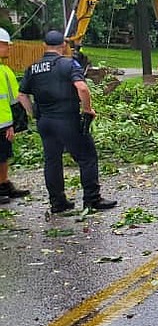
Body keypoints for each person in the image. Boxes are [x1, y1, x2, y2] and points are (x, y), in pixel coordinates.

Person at [17, 30, 116, 214]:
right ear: (63, 45)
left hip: (45, 121)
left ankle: (58, 202)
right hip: (67, 119)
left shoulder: (33, 68)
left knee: (52, 160)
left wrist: (33, 114)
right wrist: (87, 109)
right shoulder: (69, 64)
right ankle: (92, 199)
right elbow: (82, 88)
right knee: (86, 157)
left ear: (44, 46)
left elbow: (22, 95)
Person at [0, 27, 30, 204]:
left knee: (3, 155)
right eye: (6, 45)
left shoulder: (4, 70)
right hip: (2, 123)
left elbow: (13, 99)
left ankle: (3, 184)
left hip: (4, 123)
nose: (9, 48)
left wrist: (13, 124)